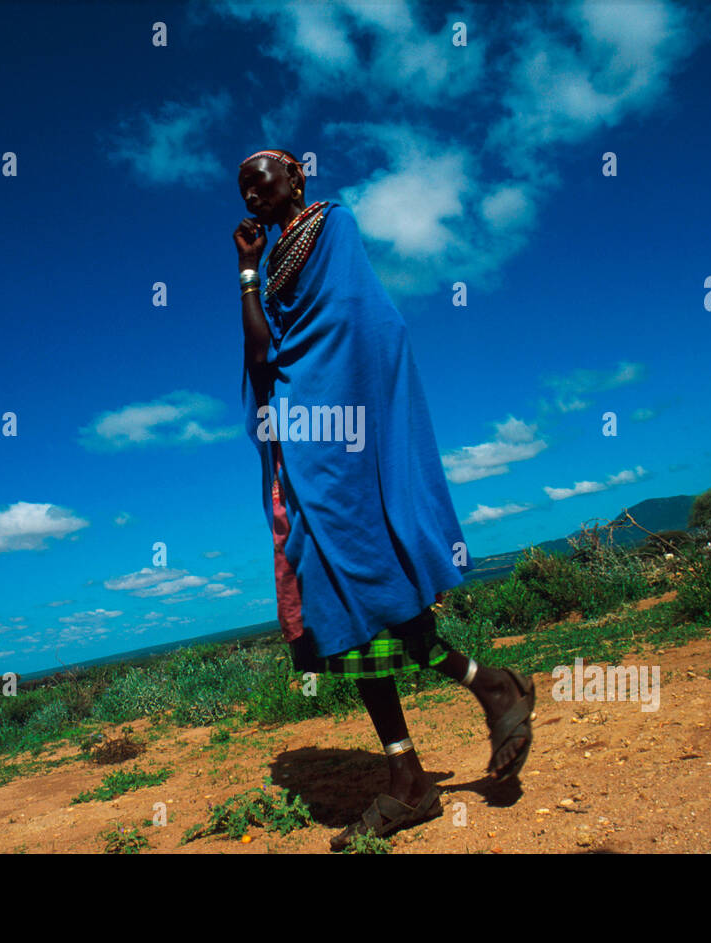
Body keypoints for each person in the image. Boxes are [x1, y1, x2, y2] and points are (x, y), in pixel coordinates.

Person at [233, 148, 535, 850]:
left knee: (374, 582)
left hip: (344, 443)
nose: (251, 188)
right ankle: (423, 762)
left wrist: (332, 416)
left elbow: (358, 330)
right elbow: (259, 358)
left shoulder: (332, 228)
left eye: (263, 175)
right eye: (241, 183)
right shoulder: (273, 267)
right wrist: (246, 272)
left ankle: (483, 698)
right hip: (305, 444)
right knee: (345, 604)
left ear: (298, 178)